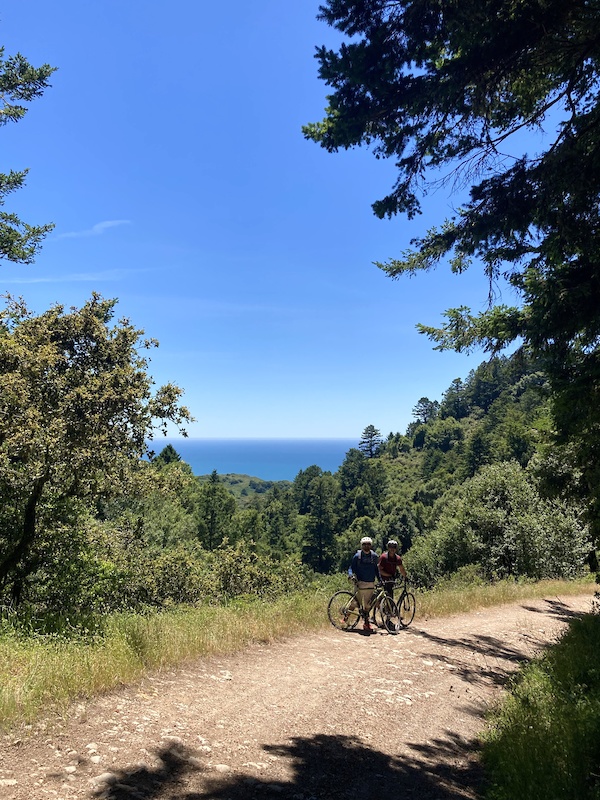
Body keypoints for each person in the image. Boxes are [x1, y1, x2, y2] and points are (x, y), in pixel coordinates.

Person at [347, 536, 380, 631]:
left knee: (368, 605)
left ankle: (366, 623)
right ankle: (346, 618)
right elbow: (351, 568)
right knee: (354, 602)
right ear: (361, 545)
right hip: (360, 583)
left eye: (368, 544)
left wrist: (380, 580)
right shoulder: (357, 557)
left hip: (370, 583)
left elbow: (376, 570)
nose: (366, 546)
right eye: (364, 544)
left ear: (371, 545)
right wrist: (350, 575)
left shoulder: (374, 556)